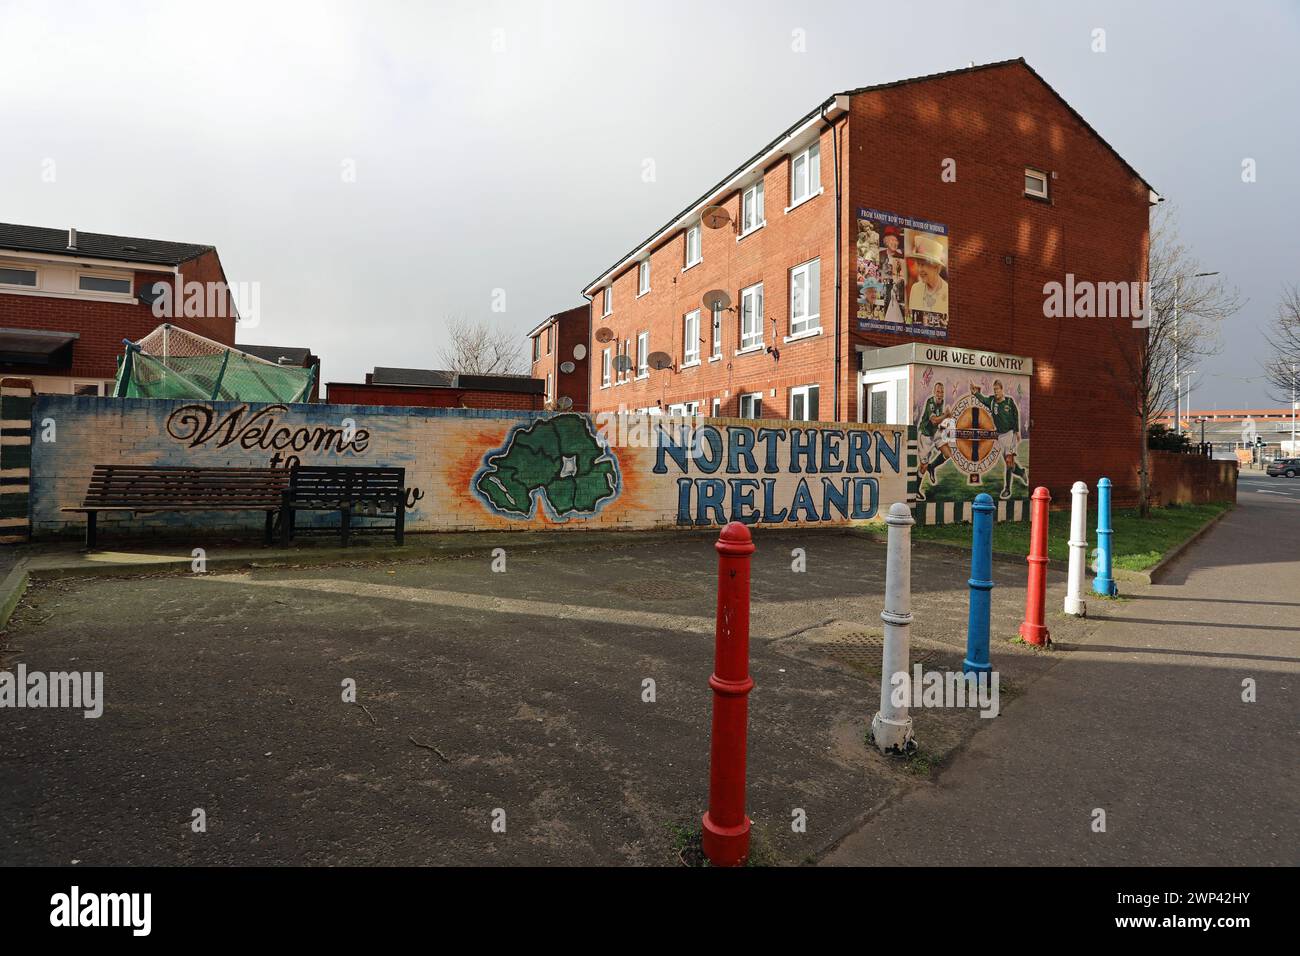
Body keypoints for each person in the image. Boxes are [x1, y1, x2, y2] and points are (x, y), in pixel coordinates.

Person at [972, 380, 1026, 498]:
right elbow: (983, 399)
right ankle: (1021, 472)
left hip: (1010, 434)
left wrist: (1017, 431)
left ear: (1002, 390)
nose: (996, 391)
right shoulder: (992, 401)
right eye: (994, 389)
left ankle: (1007, 489)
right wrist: (975, 393)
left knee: (1008, 461)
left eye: (998, 389)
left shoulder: (1009, 402)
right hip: (1000, 436)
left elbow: (1015, 415)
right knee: (1010, 465)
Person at [915, 381, 953, 500]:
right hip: (925, 436)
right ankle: (916, 490)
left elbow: (939, 422)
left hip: (935, 433)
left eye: (942, 392)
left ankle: (932, 467)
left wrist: (945, 424)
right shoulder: (930, 402)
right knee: (923, 466)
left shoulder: (942, 403)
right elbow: (933, 420)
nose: (940, 394)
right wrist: (945, 416)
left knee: (947, 453)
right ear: (934, 392)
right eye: (938, 391)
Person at [907, 234, 949, 316]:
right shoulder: (915, 289)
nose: (919, 269)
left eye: (923, 264)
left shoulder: (946, 291)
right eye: (918, 264)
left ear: (936, 267)